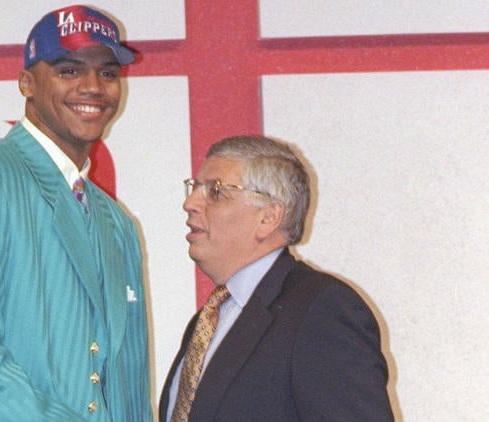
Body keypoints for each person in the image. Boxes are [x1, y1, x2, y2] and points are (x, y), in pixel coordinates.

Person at [0, 5, 151, 421]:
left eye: (108, 73)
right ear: (27, 83)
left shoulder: (117, 223)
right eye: (69, 70)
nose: (94, 87)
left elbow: (129, 385)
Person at [159, 136, 393, 421]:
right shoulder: (206, 323)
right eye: (194, 188)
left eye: (215, 191)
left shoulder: (321, 310)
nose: (190, 203)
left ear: (268, 217)